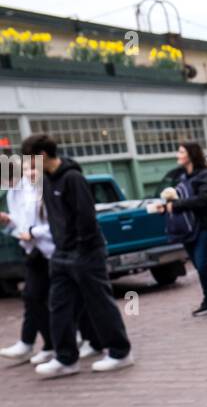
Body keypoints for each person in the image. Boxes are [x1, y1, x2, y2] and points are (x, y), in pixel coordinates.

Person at [21, 134, 134, 378]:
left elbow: (86, 218)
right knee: (58, 305)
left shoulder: (73, 178)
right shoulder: (47, 182)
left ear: (42, 155)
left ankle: (120, 352)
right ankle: (65, 359)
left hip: (86, 253)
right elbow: (54, 219)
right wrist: (59, 248)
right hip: (61, 255)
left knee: (99, 303)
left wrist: (80, 249)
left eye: (31, 160)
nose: (29, 167)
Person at [155, 142, 207, 317]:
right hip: (186, 227)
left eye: (181, 151)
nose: (178, 154)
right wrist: (165, 206)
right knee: (200, 266)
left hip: (204, 225)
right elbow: (177, 197)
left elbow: (204, 200)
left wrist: (176, 205)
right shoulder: (181, 176)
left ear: (191, 154)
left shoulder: (205, 175)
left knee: (202, 264)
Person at [0, 150, 55, 365]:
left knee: (38, 296)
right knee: (35, 297)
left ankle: (51, 344)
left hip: (45, 248)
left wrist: (32, 232)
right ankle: (40, 342)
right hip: (33, 249)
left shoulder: (33, 188)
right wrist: (9, 221)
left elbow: (45, 221)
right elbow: (23, 220)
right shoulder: (15, 191)